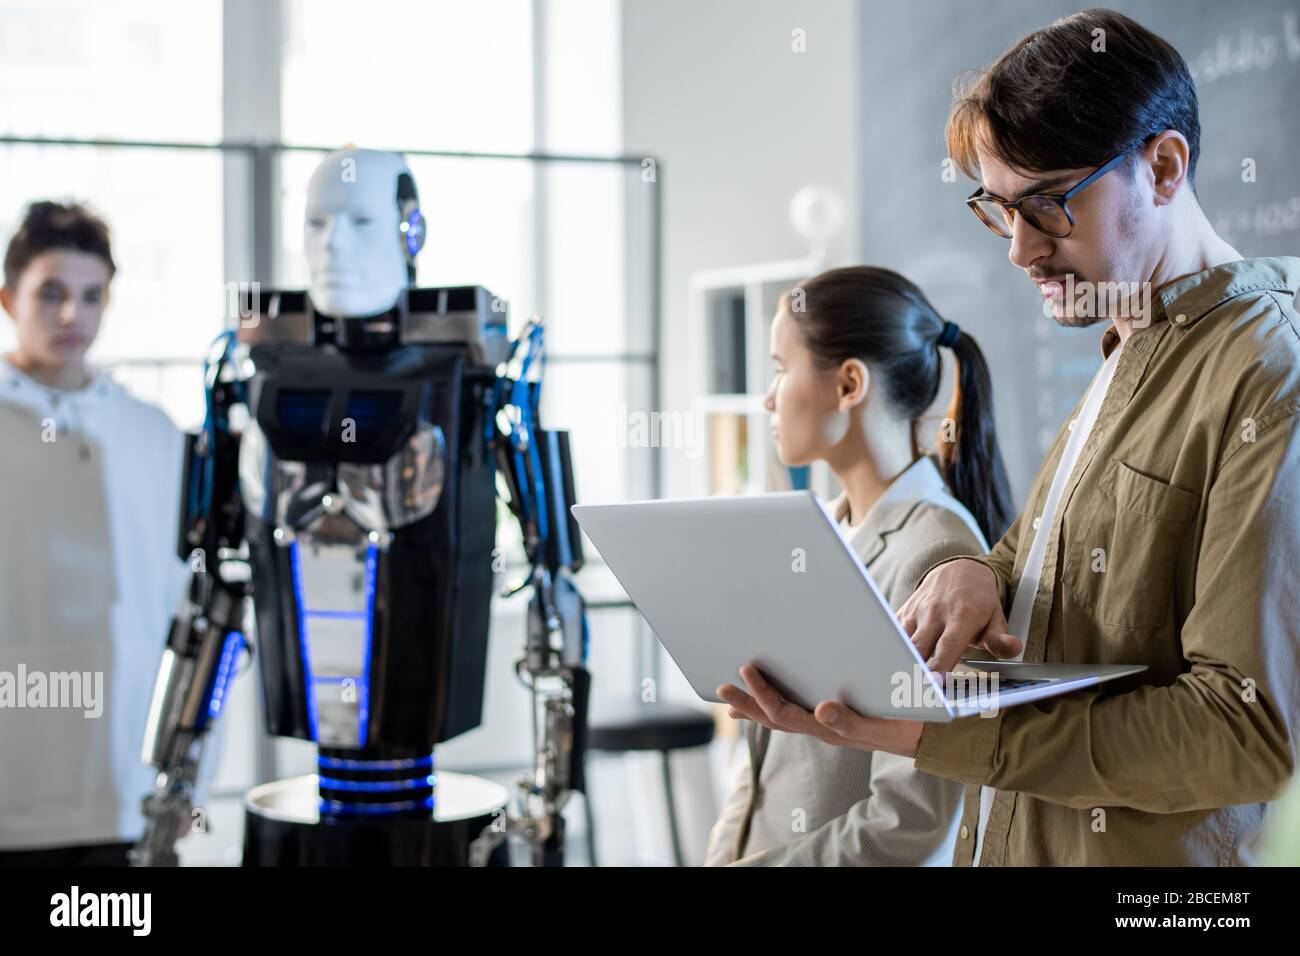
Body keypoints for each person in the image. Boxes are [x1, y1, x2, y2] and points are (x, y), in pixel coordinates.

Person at [723, 8, 1300, 866]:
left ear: (1165, 166)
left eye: (1049, 206)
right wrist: (975, 572)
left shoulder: (1268, 372)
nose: (1020, 251)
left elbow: (1246, 729)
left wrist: (942, 735)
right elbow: (1058, 572)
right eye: (999, 211)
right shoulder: (1125, 344)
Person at [705, 266, 1014, 866]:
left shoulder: (937, 557)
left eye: (779, 369)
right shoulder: (820, 533)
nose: (768, 398)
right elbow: (761, 756)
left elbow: (913, 817)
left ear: (849, 384)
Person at [0, 200, 189, 865]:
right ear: (7, 298)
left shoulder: (153, 436)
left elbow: (186, 609)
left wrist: (186, 776)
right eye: (50, 294)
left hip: (121, 784)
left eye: (90, 296)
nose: (71, 316)